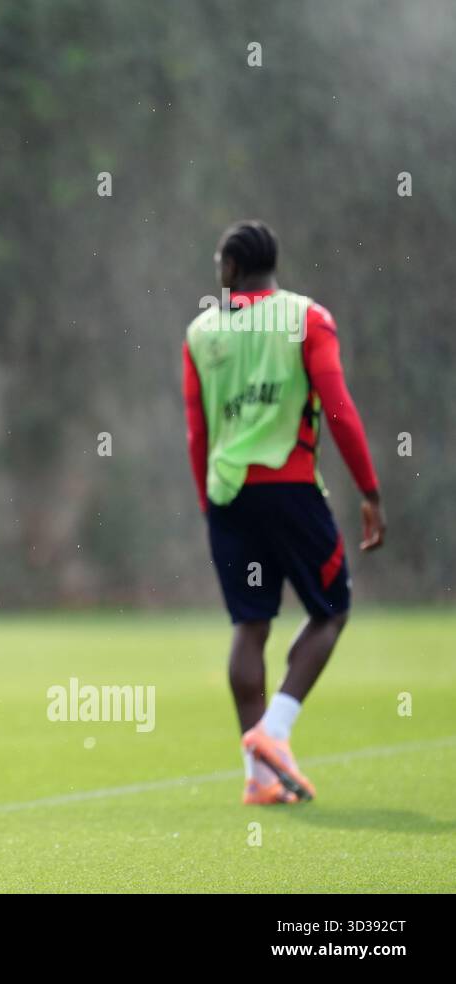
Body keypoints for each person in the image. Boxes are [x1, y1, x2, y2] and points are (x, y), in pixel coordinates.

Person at [182, 220, 385, 804]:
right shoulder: (306, 317)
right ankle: (273, 734)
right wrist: (370, 490)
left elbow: (198, 434)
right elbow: (338, 408)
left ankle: (259, 778)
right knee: (331, 612)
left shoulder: (202, 331)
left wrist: (207, 503)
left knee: (250, 625)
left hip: (228, 495)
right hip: (290, 486)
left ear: (229, 268)